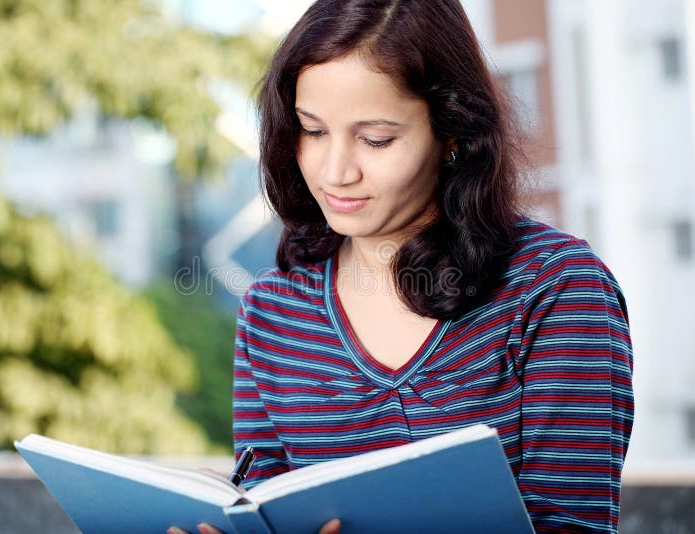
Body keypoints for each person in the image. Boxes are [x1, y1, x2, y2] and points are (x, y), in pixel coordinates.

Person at [175, 0, 635, 532]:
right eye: (312, 130)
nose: (334, 172)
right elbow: (267, 504)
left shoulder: (557, 289)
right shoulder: (273, 312)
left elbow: (573, 523)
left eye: (376, 139)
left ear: (453, 134)